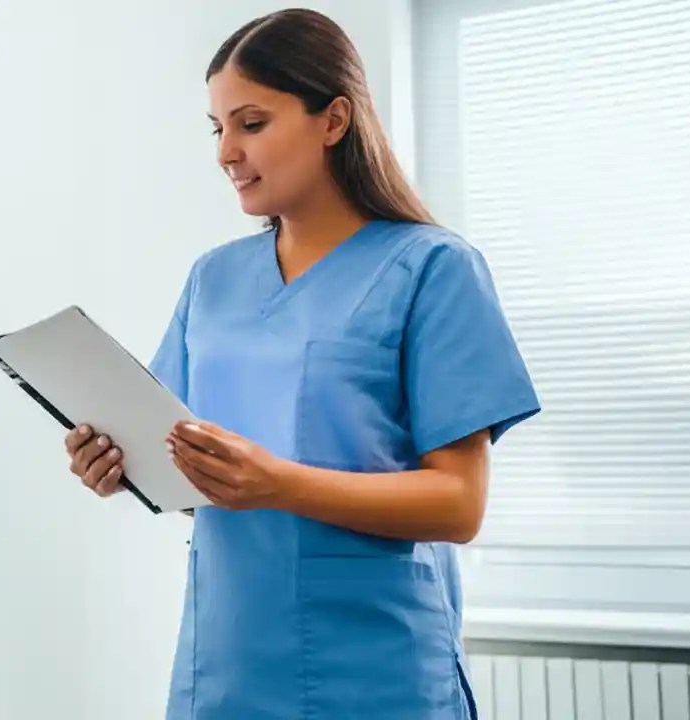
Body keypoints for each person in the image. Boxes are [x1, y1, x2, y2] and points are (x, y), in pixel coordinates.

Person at [65, 9, 540, 720]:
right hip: (227, 663)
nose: (226, 151)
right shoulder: (213, 281)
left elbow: (458, 503)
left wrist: (276, 483)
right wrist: (119, 463)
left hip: (375, 670)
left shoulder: (433, 269)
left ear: (334, 119)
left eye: (251, 124)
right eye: (217, 128)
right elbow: (188, 470)